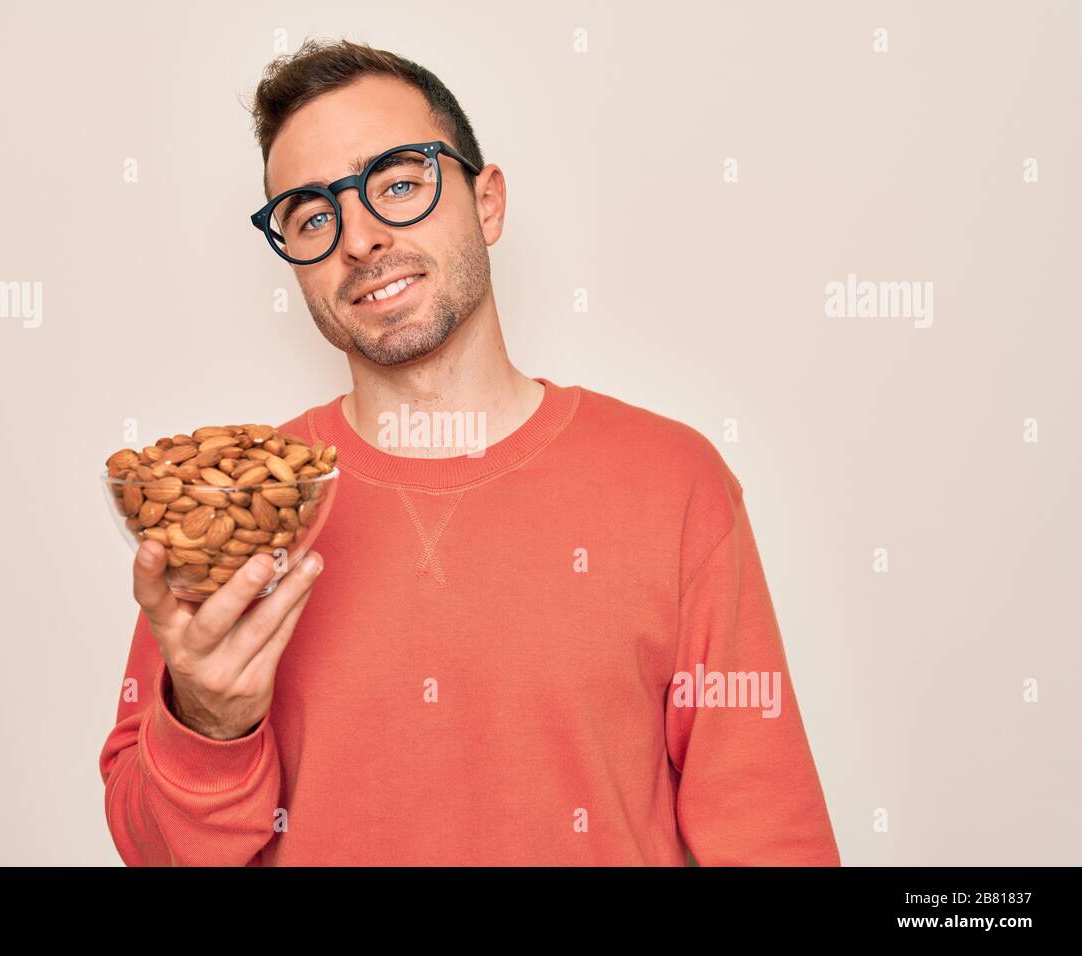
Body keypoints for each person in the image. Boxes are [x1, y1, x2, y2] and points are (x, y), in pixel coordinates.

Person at [99, 38, 840, 866]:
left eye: (400, 184)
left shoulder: (674, 483)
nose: (360, 238)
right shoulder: (234, 507)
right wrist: (208, 720)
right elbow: (153, 851)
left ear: (487, 203)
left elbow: (770, 833)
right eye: (312, 216)